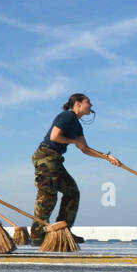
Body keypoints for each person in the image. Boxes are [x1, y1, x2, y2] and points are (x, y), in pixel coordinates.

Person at [31, 93, 121, 243]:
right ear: (78, 104)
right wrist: (73, 141)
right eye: (88, 102)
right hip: (45, 156)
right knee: (47, 194)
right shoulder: (67, 116)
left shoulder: (77, 125)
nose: (91, 105)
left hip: (56, 159)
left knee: (72, 192)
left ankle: (63, 231)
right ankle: (37, 235)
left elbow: (85, 149)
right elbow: (54, 137)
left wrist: (107, 157)